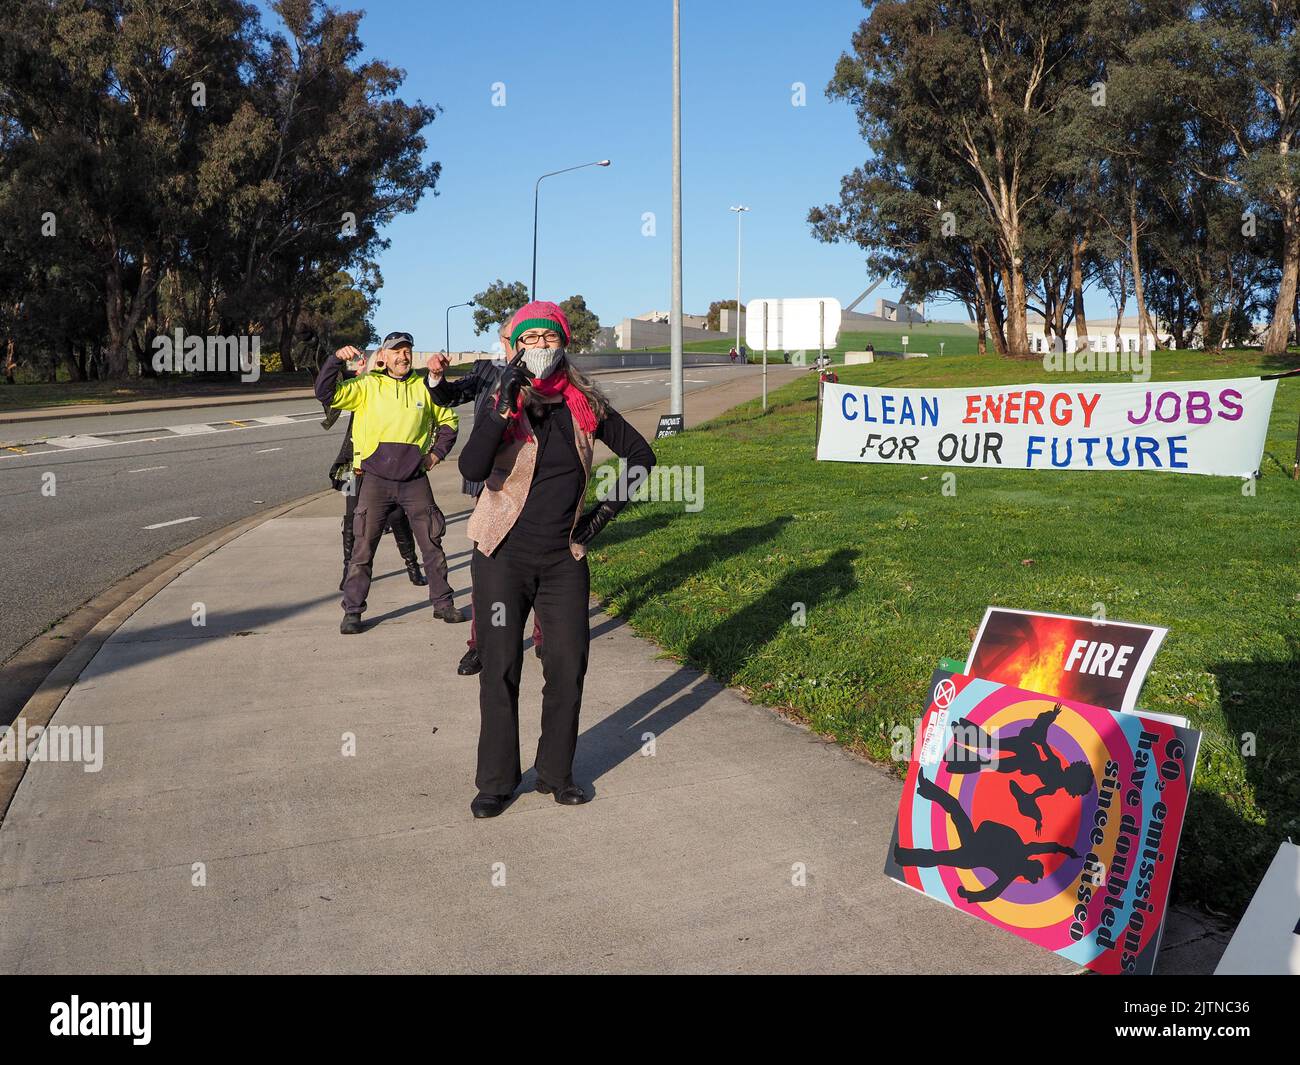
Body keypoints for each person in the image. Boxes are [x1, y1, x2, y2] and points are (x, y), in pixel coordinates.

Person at [458, 301, 655, 818]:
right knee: (500, 666)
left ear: (563, 343)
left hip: (563, 555)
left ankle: (556, 773)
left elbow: (642, 456)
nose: (541, 347)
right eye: (531, 339)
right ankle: (496, 781)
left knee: (568, 664)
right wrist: (500, 407)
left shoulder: (584, 402)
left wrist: (604, 514)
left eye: (549, 339)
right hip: (501, 553)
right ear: (516, 346)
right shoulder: (505, 399)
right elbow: (473, 465)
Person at [315, 331, 464, 634]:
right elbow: (326, 394)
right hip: (374, 480)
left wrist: (434, 456)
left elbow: (450, 422)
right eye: (396, 351)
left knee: (432, 543)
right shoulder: (367, 386)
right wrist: (334, 361)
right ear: (383, 356)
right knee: (363, 547)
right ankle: (353, 611)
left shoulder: (424, 387)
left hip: (414, 480)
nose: (403, 356)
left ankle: (443, 603)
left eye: (407, 350)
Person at [426, 316, 545, 677]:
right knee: (487, 569)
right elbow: (448, 396)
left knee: (543, 565)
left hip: (538, 486)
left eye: (534, 338)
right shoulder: (485, 371)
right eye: (518, 339)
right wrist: (436, 377)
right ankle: (480, 645)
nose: (529, 346)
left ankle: (544, 638)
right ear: (505, 342)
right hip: (493, 485)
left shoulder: (552, 377)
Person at [322, 349, 427, 591]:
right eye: (362, 365)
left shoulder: (383, 383)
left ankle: (412, 565)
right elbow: (325, 391)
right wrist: (349, 366)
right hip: (352, 463)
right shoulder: (358, 385)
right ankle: (348, 570)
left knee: (397, 515)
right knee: (351, 518)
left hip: (385, 463)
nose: (367, 367)